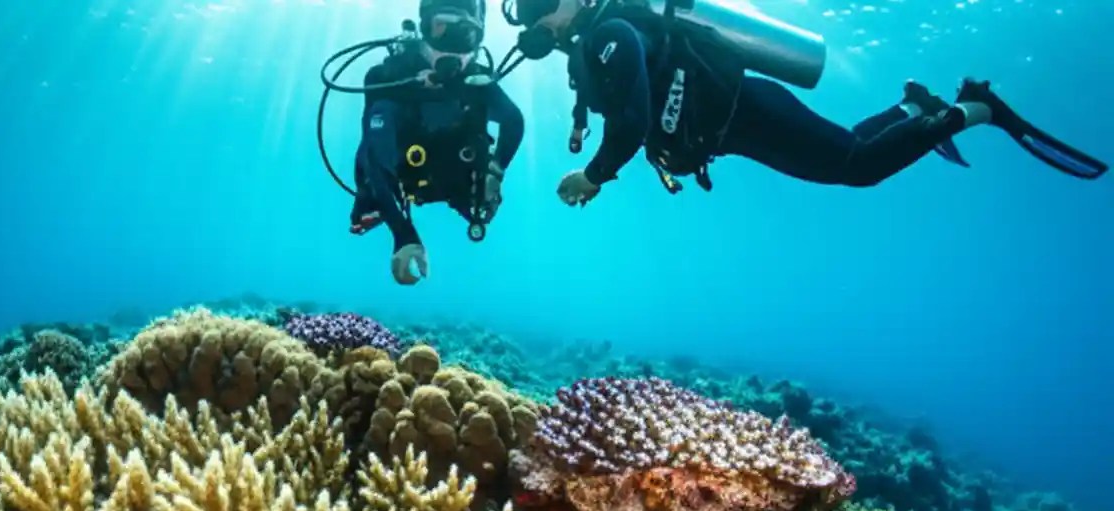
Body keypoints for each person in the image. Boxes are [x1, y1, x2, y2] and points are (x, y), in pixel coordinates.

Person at [504, 0, 1107, 207]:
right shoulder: (593, 50)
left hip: (746, 111)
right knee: (846, 149)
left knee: (857, 168)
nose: (534, 18)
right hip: (733, 126)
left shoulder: (610, 33)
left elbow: (635, 122)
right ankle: (911, 108)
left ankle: (971, 109)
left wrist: (594, 176)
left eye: (539, 4)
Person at [349, 0, 525, 285]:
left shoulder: (478, 83)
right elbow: (374, 159)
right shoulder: (391, 79)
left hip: (456, 177)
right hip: (400, 175)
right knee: (370, 175)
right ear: (423, 30)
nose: (451, 48)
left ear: (478, 41)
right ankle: (375, 203)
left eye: (465, 35)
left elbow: (514, 121)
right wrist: (403, 234)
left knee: (481, 209)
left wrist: (495, 172)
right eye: (441, 29)